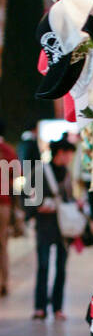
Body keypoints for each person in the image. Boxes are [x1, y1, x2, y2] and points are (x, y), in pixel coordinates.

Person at [27, 136, 78, 320]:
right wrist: (37, 207)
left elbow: (69, 197)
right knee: (43, 265)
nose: (70, 158)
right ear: (60, 153)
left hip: (64, 227)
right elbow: (27, 196)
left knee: (61, 267)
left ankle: (57, 307)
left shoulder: (66, 173)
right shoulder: (40, 171)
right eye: (69, 154)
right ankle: (40, 307)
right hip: (45, 225)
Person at [0, 119, 18, 298]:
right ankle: (4, 283)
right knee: (3, 244)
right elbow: (18, 174)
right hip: (3, 203)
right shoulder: (8, 150)